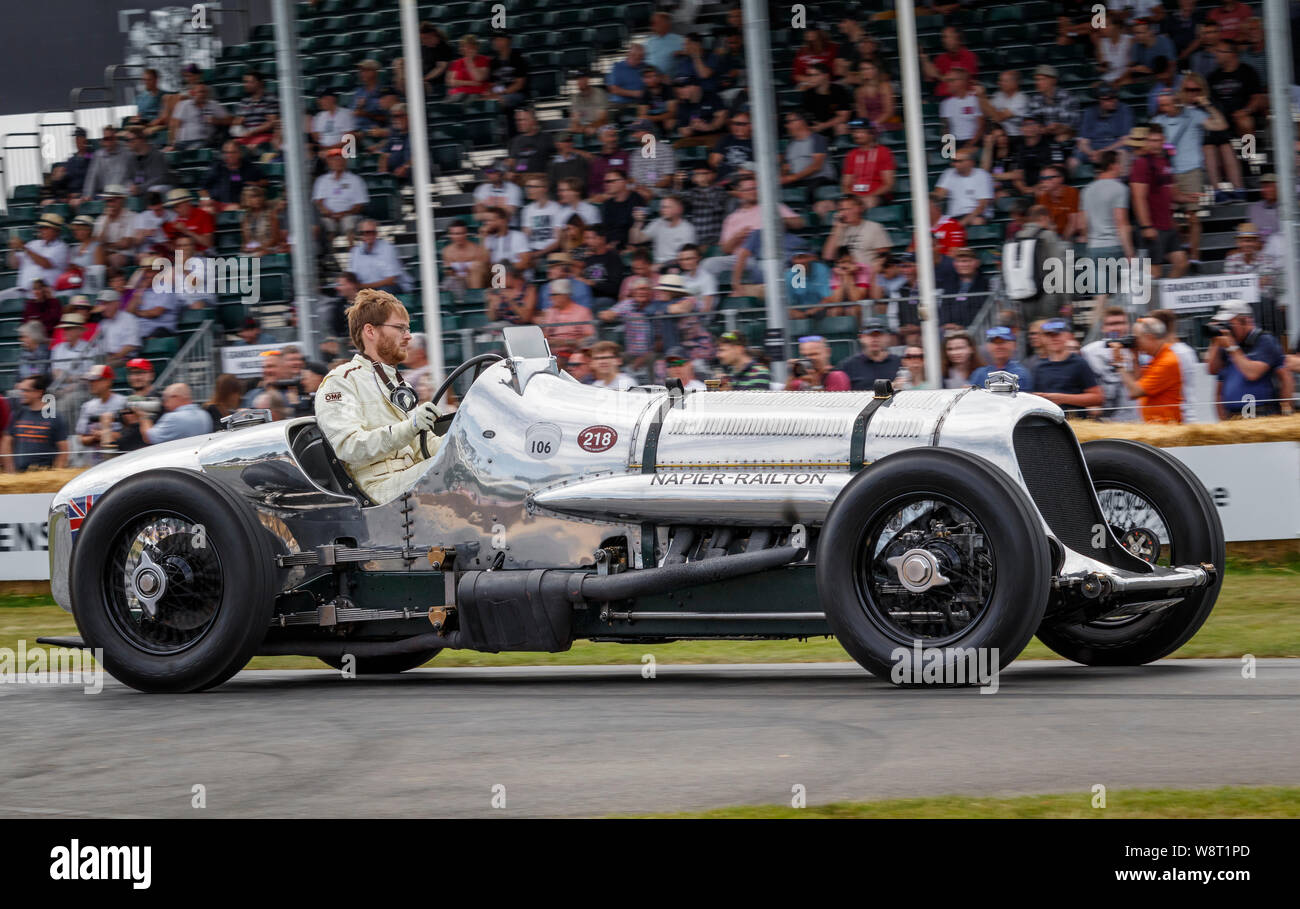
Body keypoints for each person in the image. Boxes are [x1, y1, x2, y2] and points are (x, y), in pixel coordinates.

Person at [315, 290, 441, 503]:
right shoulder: (341, 380)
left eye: (407, 328)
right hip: (378, 489)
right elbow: (349, 446)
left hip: (409, 478)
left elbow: (425, 447)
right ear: (370, 331)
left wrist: (467, 438)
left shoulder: (400, 384)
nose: (408, 336)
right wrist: (410, 427)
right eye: (400, 328)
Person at [1207, 299, 1288, 418]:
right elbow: (1212, 370)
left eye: (1228, 324)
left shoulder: (1264, 340)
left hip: (1262, 414)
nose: (1226, 329)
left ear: (1245, 320)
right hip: (1233, 416)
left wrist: (1232, 348)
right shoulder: (1228, 344)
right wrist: (1215, 341)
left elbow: (1252, 373)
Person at [1112, 316, 1184, 424]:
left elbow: (1135, 391)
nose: (1136, 342)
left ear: (1149, 337)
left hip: (1166, 428)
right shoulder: (1157, 358)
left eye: (1137, 338)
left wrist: (1119, 365)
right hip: (1155, 427)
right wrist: (1135, 358)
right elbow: (1137, 384)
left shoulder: (1166, 362)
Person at [1032, 319, 1103, 416]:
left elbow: (1097, 398)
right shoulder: (1039, 367)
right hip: (1049, 424)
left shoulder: (1079, 363)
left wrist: (1063, 398)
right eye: (1049, 335)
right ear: (1043, 338)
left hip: (1076, 424)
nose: (1053, 338)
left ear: (1068, 336)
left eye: (1057, 334)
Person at [2, 374, 69, 471]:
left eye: (26, 391)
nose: (22, 394)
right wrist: (10, 471)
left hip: (44, 477)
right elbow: (6, 442)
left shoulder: (55, 416)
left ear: (38, 393)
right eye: (21, 390)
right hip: (19, 477)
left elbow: (64, 450)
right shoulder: (18, 414)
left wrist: (56, 473)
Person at [312, 150, 369, 246]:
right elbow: (319, 203)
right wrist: (330, 214)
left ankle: (352, 253)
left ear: (345, 161)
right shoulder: (322, 181)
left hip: (349, 216)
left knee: (348, 222)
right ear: (329, 162)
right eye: (334, 160)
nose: (338, 162)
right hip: (329, 216)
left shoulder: (355, 180)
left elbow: (359, 205)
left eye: (340, 159)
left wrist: (343, 214)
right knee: (326, 224)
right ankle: (330, 255)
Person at [75, 364, 128, 461]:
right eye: (90, 380)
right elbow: (81, 439)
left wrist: (105, 434)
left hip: (120, 461)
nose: (91, 383)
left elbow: (130, 435)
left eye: (95, 380)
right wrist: (95, 438)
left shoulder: (123, 402)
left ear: (108, 381)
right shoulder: (87, 406)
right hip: (95, 464)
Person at [348, 220, 411, 292]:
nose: (369, 235)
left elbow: (391, 280)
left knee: (383, 291)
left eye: (373, 232)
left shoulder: (387, 248)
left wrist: (364, 287)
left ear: (376, 233)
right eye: (365, 233)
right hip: (368, 289)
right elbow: (351, 276)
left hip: (391, 288)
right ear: (360, 234)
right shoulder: (355, 251)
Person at [837, 322, 901, 391]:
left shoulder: (898, 362)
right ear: (861, 338)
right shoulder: (848, 365)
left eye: (879, 335)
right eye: (870, 335)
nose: (875, 340)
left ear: (887, 337)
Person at [969, 326, 1034, 390]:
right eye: (995, 342)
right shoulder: (979, 374)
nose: (999, 347)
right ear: (988, 346)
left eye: (1003, 342)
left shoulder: (1020, 374)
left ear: (1013, 345)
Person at [785, 336, 850, 391]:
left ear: (827, 352)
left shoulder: (836, 377)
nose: (808, 359)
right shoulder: (800, 381)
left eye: (813, 354)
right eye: (804, 355)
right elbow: (783, 402)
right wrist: (790, 380)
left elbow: (833, 403)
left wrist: (815, 383)